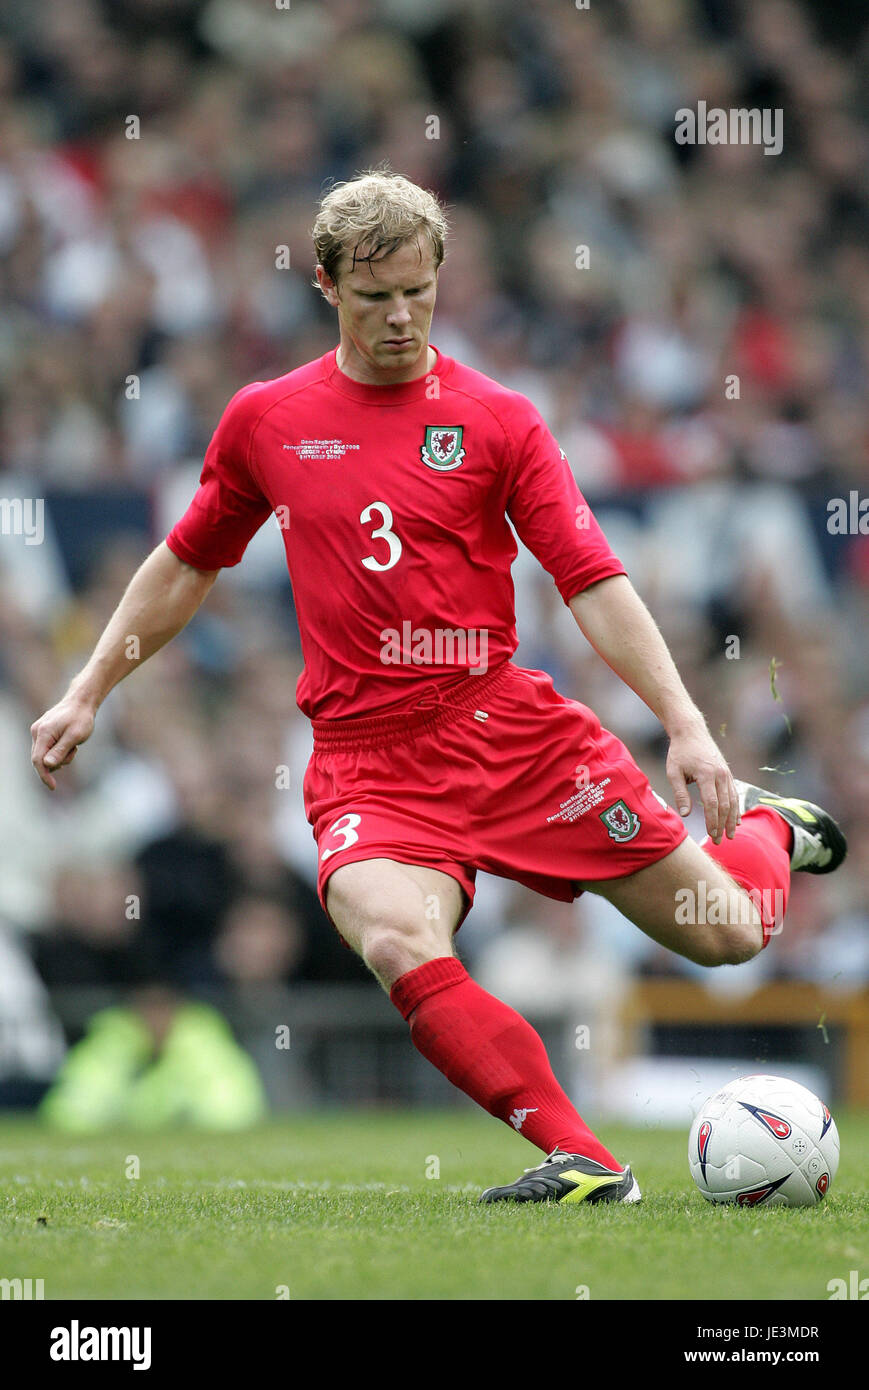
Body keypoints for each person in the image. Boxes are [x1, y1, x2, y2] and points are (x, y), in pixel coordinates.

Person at [31, 170, 847, 1205]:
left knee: (727, 934)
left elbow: (589, 579)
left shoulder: (498, 419)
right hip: (367, 766)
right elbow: (189, 560)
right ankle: (585, 1158)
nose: (402, 317)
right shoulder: (265, 419)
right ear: (326, 287)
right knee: (391, 934)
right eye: (375, 298)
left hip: (507, 732)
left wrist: (684, 725)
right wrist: (88, 687)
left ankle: (768, 830)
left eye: (419, 291)